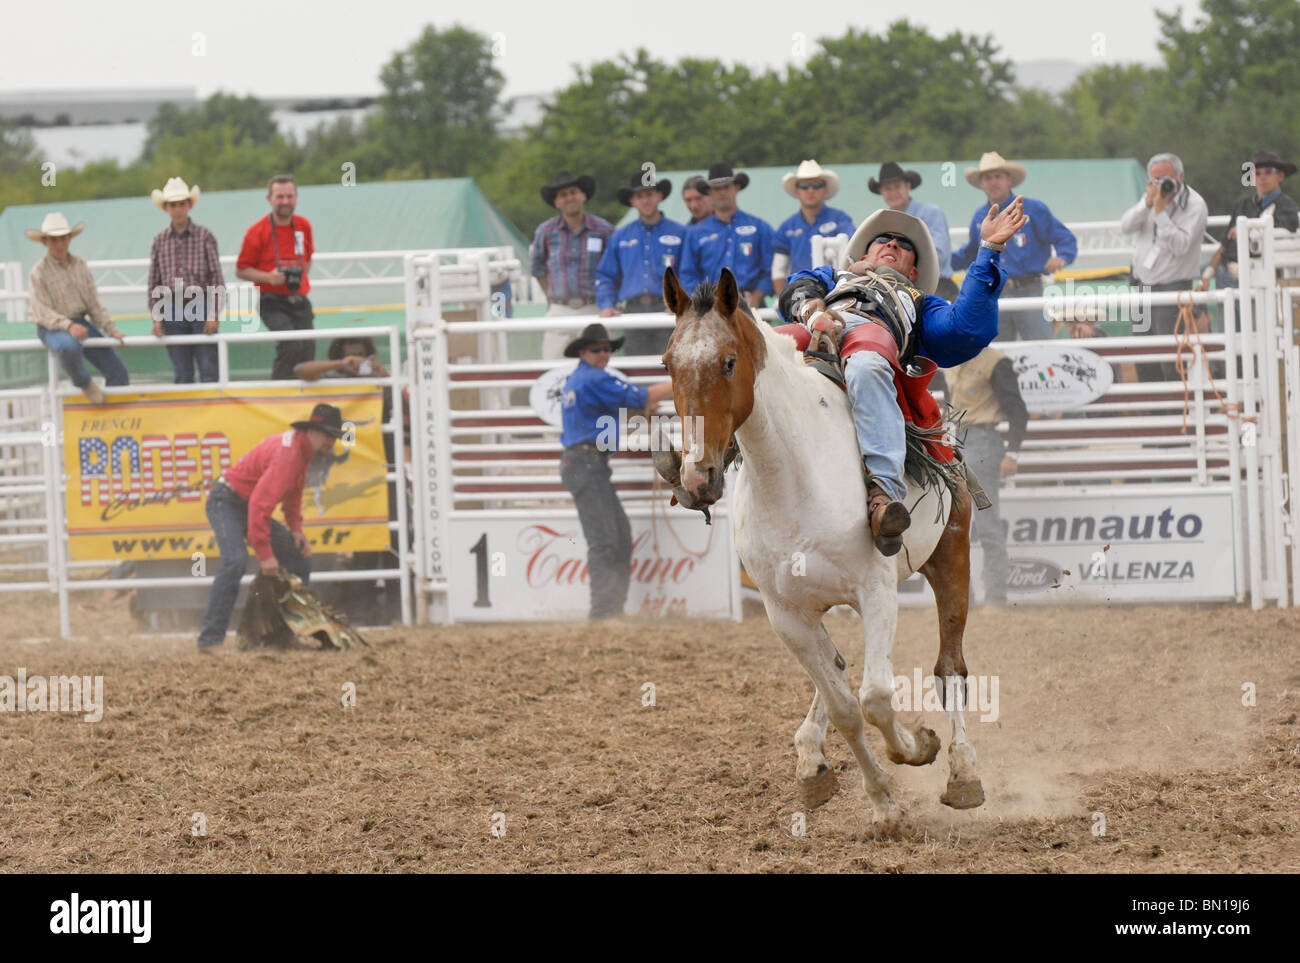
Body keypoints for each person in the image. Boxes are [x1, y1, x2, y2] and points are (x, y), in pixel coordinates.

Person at [777, 199, 1027, 554]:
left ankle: (884, 494)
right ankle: (700, 457)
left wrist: (988, 250)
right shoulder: (831, 278)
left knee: (866, 364)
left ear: (913, 272)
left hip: (874, 340)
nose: (893, 244)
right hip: (816, 329)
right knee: (750, 350)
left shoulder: (922, 304)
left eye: (905, 244)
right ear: (862, 255)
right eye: (883, 239)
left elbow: (965, 330)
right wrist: (812, 311)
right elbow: (795, 289)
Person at [195, 403, 346, 652]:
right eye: (329, 435)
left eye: (334, 437)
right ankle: (210, 639)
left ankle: (283, 635)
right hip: (227, 501)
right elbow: (260, 504)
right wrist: (265, 554)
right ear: (313, 432)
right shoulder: (290, 456)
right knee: (235, 561)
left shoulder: (299, 450)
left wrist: (295, 528)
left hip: (238, 502)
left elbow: (292, 494)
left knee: (296, 555)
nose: (331, 442)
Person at [559, 323, 673, 620]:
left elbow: (612, 410)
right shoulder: (594, 379)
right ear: (584, 352)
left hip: (587, 464)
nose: (604, 354)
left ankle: (610, 611)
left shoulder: (583, 380)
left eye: (607, 349)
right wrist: (685, 378)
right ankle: (604, 614)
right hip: (587, 464)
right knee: (607, 540)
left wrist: (640, 410)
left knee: (617, 537)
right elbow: (643, 398)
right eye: (597, 349)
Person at [936, 347, 1028, 607]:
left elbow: (1016, 409)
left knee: (983, 521)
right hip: (959, 440)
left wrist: (1014, 453)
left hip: (979, 442)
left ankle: (993, 596)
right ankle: (969, 597)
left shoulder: (995, 363)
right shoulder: (955, 361)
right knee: (957, 521)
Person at [952, 152, 1076, 341]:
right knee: (1000, 354)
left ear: (1008, 179)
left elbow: (1064, 238)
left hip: (1028, 288)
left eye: (998, 176)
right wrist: (939, 262)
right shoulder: (980, 217)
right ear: (982, 184)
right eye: (988, 177)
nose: (993, 182)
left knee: (1040, 348)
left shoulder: (1033, 209)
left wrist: (1062, 257)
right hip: (993, 293)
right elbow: (971, 252)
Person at [1118, 152, 1209, 383]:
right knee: (1142, 352)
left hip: (1172, 287)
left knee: (1171, 354)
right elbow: (1125, 226)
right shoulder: (1150, 197)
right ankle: (1154, 412)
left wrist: (1160, 213)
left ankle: (1177, 411)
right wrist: (1147, 204)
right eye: (1155, 180)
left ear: (1181, 176)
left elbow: (1181, 246)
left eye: (1166, 179)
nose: (1161, 185)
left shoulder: (1194, 205)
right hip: (1141, 286)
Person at [26, 212, 129, 404]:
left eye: (63, 239)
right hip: (52, 327)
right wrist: (68, 325)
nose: (59, 244)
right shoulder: (38, 272)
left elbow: (93, 302)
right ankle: (84, 383)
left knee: (119, 372)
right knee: (67, 347)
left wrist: (110, 328)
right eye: (54, 240)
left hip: (80, 322)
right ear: (45, 242)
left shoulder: (80, 265)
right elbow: (42, 310)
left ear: (69, 239)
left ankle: (116, 418)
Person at [595, 171, 687, 356]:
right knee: (636, 364)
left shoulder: (680, 233)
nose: (646, 201)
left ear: (659, 196)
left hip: (668, 308)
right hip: (632, 309)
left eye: (650, 194)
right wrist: (607, 304)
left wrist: (680, 301)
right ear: (632, 201)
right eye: (640, 196)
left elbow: (688, 272)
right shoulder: (620, 236)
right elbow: (606, 275)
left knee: (670, 364)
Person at [236, 174, 315, 380]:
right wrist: (268, 277)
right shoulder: (257, 231)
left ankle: (307, 395)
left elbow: (307, 259)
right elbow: (241, 269)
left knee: (308, 347)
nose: (285, 202)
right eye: (280, 197)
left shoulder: (303, 226)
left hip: (298, 297)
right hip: (271, 299)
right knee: (289, 343)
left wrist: (298, 274)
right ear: (269, 199)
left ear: (296, 197)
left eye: (290, 196)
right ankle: (277, 389)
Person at [531, 170, 614, 360]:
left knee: (600, 366)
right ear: (556, 202)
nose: (569, 198)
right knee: (553, 367)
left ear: (583, 195)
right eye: (563, 195)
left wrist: (608, 301)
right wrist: (553, 295)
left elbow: (614, 269)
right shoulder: (546, 231)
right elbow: (537, 268)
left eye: (573, 192)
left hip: (594, 307)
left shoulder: (604, 229)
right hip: (560, 308)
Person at [147, 177, 224, 383]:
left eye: (182, 204)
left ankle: (211, 408)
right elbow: (154, 282)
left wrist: (214, 313)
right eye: (173, 205)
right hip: (171, 306)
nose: (178, 210)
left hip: (201, 302)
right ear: (166, 209)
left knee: (209, 366)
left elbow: (216, 277)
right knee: (182, 369)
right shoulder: (159, 241)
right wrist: (156, 316)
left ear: (189, 205)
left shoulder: (205, 236)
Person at [1199, 149, 1299, 292]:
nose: (1262, 177)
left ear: (1280, 175)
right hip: (1227, 273)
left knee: (1256, 312)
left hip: (1260, 274)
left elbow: (1290, 227)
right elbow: (1224, 244)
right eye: (1257, 172)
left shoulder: (1286, 205)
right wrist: (1207, 276)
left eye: (1268, 171)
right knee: (1227, 311)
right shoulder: (1243, 204)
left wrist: (1249, 231)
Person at [677, 163, 776, 308]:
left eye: (727, 187)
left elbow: (771, 268)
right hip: (711, 306)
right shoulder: (695, 233)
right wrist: (702, 300)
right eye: (717, 188)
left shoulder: (760, 227)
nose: (722, 192)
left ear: (737, 188)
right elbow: (687, 274)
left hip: (751, 304)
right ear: (709, 192)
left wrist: (757, 296)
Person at [870, 161, 957, 301]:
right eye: (887, 188)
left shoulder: (932, 213)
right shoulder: (883, 220)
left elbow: (937, 256)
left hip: (937, 286)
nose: (893, 193)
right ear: (882, 192)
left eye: (897, 187)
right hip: (895, 287)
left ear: (908, 186)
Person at [772, 160, 855, 293]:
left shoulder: (840, 219)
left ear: (825, 190)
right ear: (797, 191)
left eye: (816, 185)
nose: (811, 190)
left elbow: (852, 248)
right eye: (804, 186)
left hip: (835, 292)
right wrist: (782, 299)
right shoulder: (787, 227)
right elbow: (778, 270)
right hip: (798, 295)